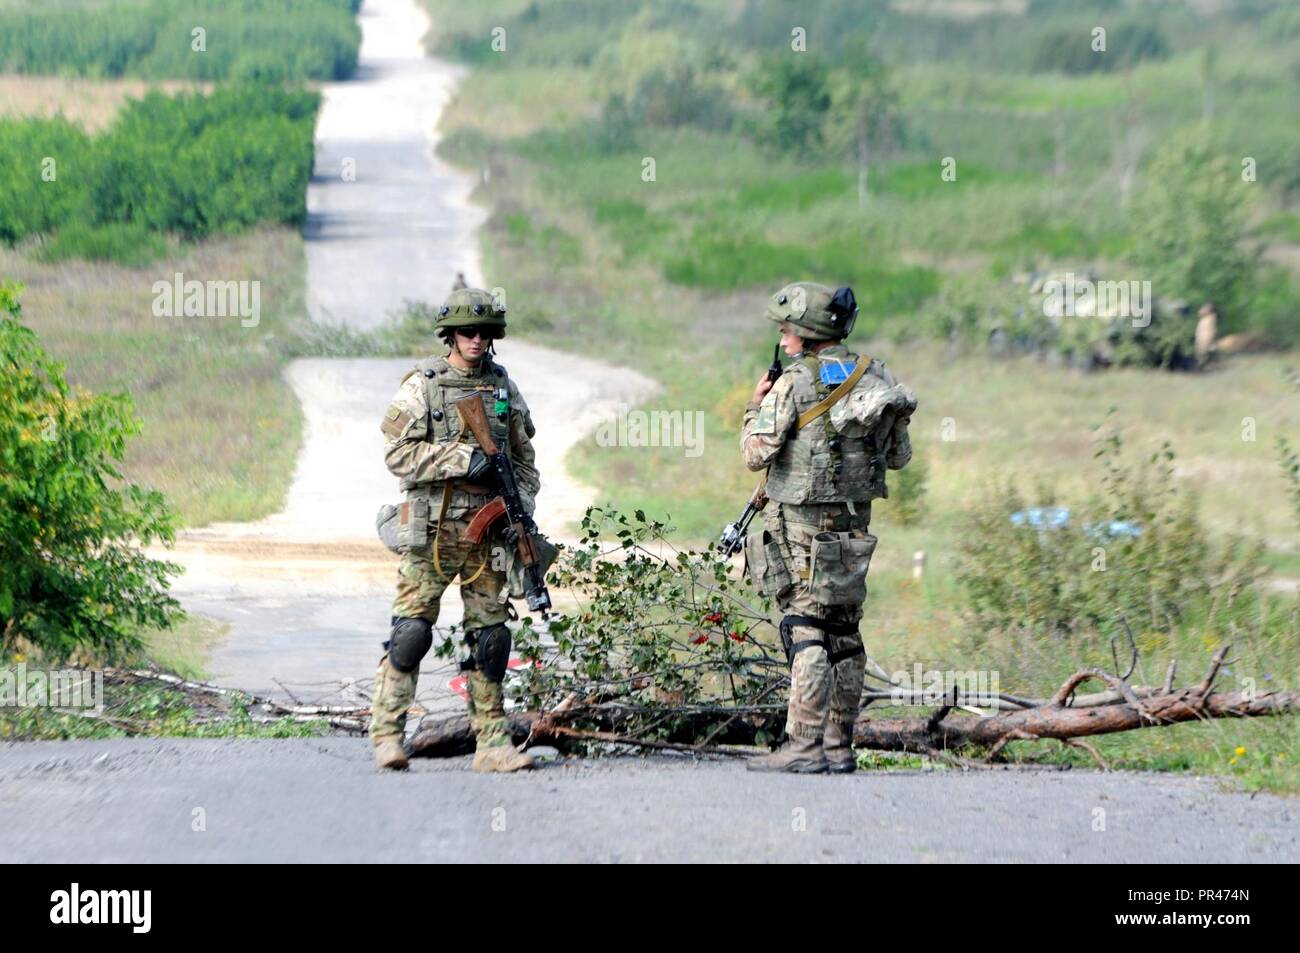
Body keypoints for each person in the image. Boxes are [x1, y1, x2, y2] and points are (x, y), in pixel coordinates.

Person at [740, 281, 917, 773]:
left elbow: (756, 455)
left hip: (801, 524)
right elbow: (900, 457)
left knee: (806, 626)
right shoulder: (876, 375)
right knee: (845, 630)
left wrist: (754, 408)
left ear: (807, 333)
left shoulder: (794, 383)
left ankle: (803, 746)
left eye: (788, 328)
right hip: (856, 522)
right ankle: (840, 746)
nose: (782, 335)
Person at [370, 286, 540, 773]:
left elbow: (525, 462)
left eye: (486, 334)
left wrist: (519, 507)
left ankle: (492, 744)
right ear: (451, 334)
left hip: (487, 535)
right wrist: (462, 458)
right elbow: (397, 455)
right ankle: (387, 735)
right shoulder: (424, 385)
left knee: (491, 640)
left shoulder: (504, 387)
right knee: (410, 633)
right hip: (433, 532)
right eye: (468, 332)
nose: (477, 341)